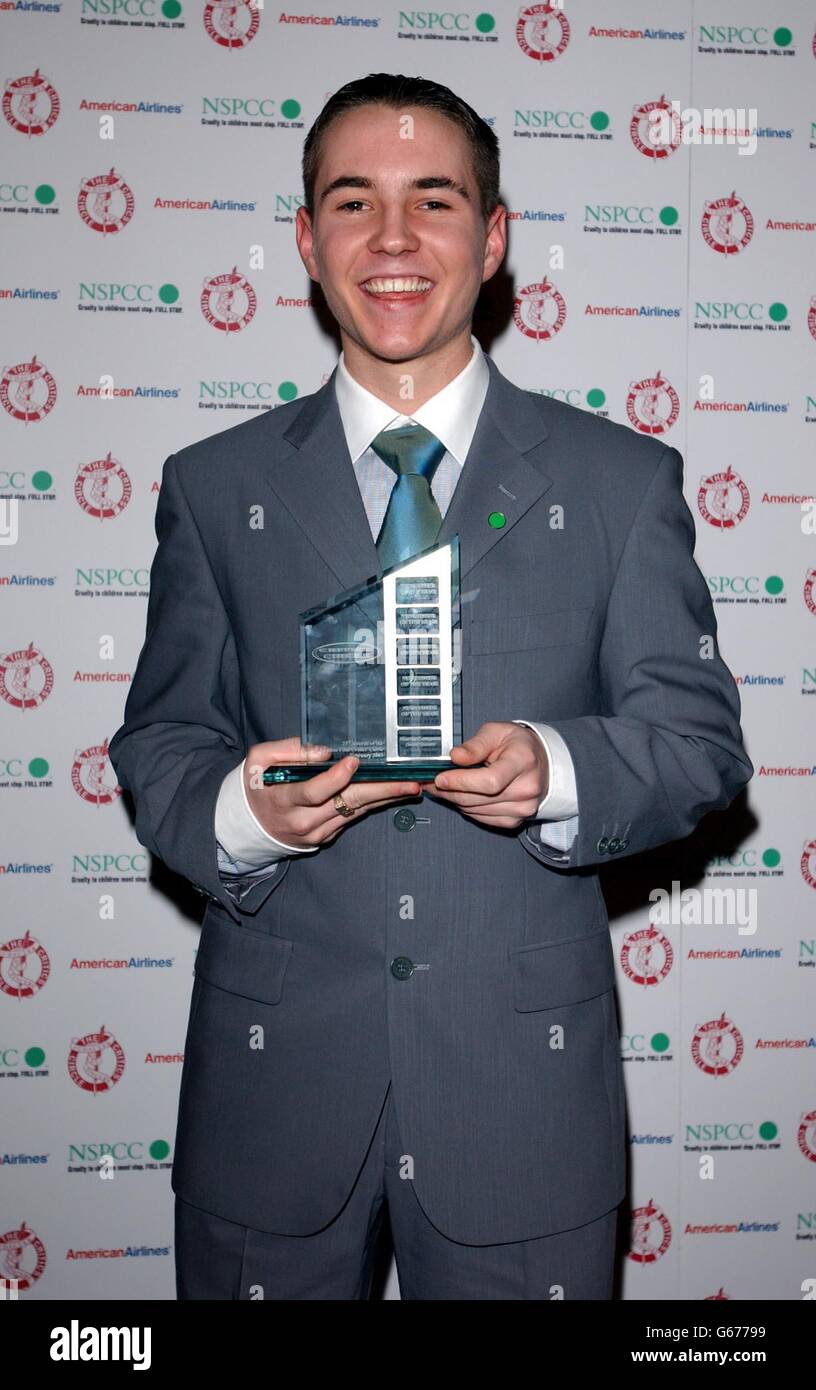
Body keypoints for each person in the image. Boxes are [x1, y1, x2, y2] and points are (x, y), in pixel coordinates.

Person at [108, 73, 753, 1300]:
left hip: (524, 1108)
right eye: (353, 202)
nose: (393, 240)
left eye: (435, 201)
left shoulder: (623, 485)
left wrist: (558, 771)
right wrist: (245, 815)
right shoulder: (210, 486)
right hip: (271, 1103)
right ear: (306, 241)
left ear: (495, 239)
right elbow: (161, 742)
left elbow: (699, 742)